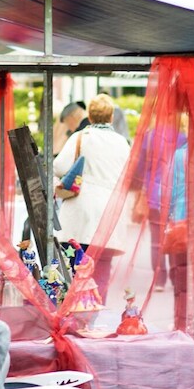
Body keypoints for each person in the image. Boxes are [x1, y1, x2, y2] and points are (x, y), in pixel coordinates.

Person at [53, 94, 130, 290]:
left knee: (78, 266)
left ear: (90, 115)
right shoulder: (122, 143)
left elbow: (59, 166)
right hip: (109, 213)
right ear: (111, 117)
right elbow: (129, 175)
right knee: (102, 269)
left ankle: (80, 314)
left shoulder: (79, 138)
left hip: (80, 212)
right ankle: (97, 312)